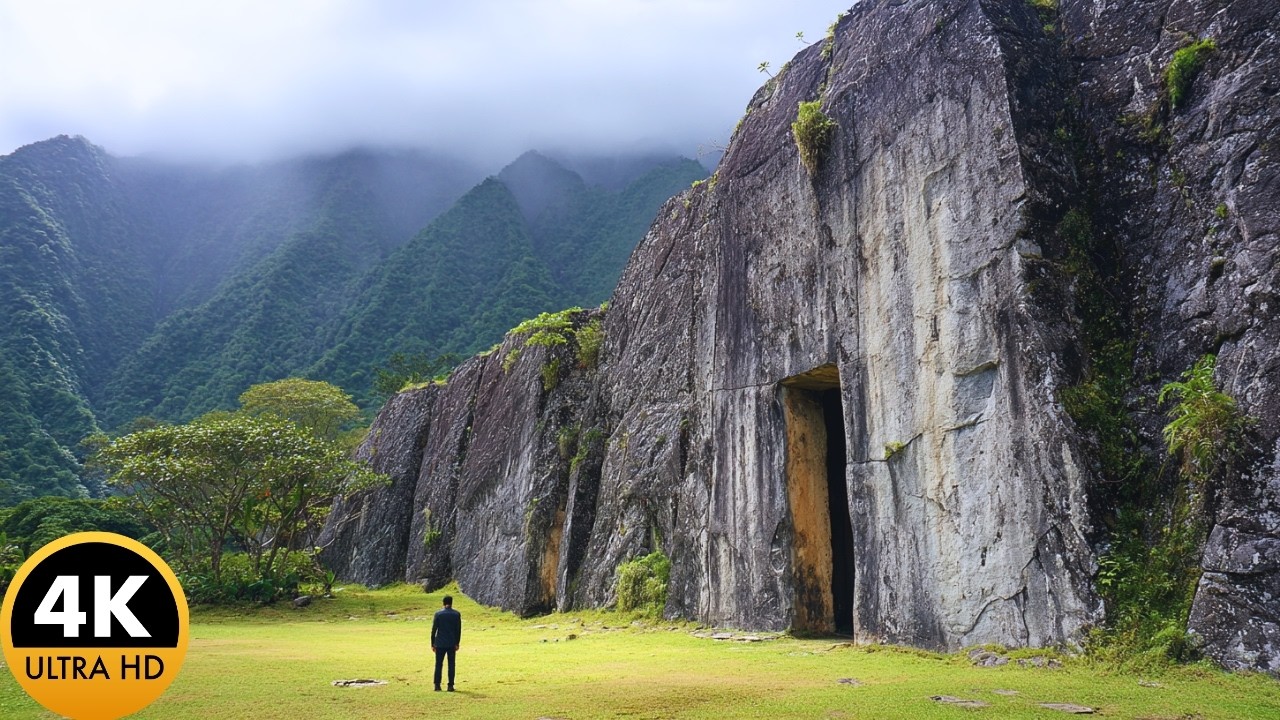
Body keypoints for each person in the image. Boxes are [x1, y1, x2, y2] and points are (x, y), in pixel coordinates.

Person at [430, 594, 462, 692]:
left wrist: (432, 643)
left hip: (439, 643)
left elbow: (434, 629)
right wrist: (457, 643)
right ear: (451, 603)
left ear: (443, 603)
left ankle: (437, 685)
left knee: (438, 664)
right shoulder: (456, 614)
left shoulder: (438, 614)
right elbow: (458, 630)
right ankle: (450, 685)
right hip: (451, 643)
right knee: (451, 664)